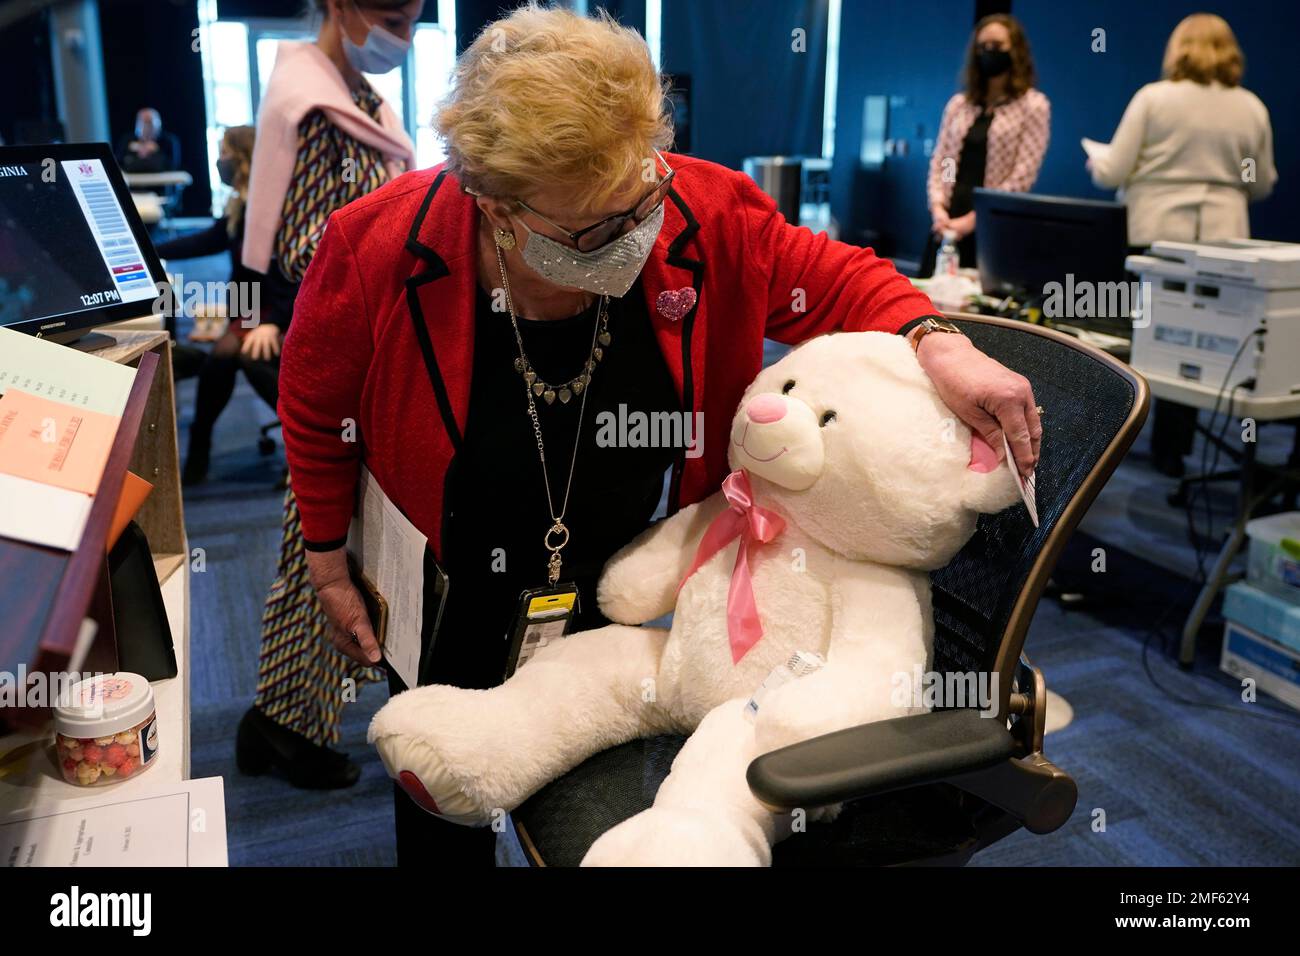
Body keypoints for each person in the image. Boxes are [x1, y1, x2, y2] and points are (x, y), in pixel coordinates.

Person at [276, 5, 1041, 867]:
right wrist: (326, 558)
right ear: (493, 205)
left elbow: (842, 279)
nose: (637, 241)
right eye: (593, 231)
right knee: (440, 783)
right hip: (449, 572)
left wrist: (939, 342)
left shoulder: (702, 211)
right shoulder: (376, 246)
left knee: (591, 766)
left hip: (621, 572)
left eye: (643, 199)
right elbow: (314, 407)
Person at [233, 0, 419, 789]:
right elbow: (318, 251)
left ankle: (287, 717)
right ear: (339, 7)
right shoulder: (317, 109)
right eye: (390, 16)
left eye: (413, 19)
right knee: (318, 539)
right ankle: (282, 725)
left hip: (368, 351)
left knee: (331, 537)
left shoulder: (362, 103)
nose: (401, 38)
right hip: (341, 356)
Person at [1088, 13, 1276, 477]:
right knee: (1200, 345)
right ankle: (1176, 451)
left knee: (1148, 337)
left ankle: (1124, 438)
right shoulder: (1251, 106)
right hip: (1224, 241)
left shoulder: (1154, 98)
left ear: (1178, 49)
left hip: (1157, 232)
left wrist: (1097, 160)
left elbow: (1112, 171)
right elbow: (1262, 183)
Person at [152, 126, 270, 485]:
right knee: (222, 357)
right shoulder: (241, 203)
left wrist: (272, 322)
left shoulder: (267, 207)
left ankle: (200, 448)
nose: (219, 161)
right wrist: (151, 249)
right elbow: (210, 239)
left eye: (224, 152)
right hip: (248, 302)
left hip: (273, 307)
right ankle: (199, 446)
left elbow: (287, 279)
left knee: (223, 356)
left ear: (243, 158)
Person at [924, 14, 1050, 274]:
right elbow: (942, 161)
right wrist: (938, 209)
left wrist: (971, 222)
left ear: (1015, 51)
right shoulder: (959, 105)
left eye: (997, 46)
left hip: (992, 224)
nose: (988, 53)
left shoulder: (1033, 106)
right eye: (982, 47)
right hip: (947, 222)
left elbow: (1021, 178)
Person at [117, 108, 181, 174]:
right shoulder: (127, 140)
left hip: (161, 182)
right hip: (133, 182)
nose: (146, 126)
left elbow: (172, 166)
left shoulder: (168, 140)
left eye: (149, 122)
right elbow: (119, 164)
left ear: (159, 123)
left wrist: (156, 151)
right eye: (142, 122)